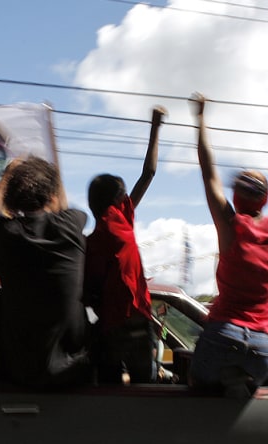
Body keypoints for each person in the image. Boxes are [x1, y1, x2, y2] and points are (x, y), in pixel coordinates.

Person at [188, 94, 268, 398]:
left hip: (223, 333)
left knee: (194, 395)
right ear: (266, 199)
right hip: (262, 345)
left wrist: (200, 119)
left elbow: (208, 172)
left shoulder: (229, 224)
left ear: (236, 197)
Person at [0, 157, 91, 387]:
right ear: (52, 196)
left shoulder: (4, 235)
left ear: (12, 201)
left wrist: (7, 177)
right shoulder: (71, 224)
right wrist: (54, 174)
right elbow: (61, 208)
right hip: (75, 373)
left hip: (20, 373)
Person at [83, 105, 166, 385]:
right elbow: (149, 173)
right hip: (136, 326)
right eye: (123, 193)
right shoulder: (120, 219)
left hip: (111, 328)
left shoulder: (92, 240)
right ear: (118, 201)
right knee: (147, 393)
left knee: (110, 393)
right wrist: (155, 127)